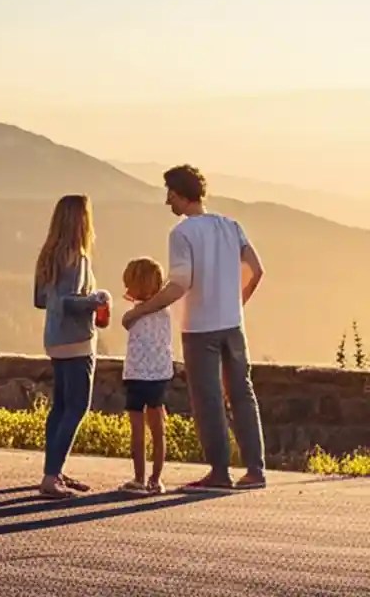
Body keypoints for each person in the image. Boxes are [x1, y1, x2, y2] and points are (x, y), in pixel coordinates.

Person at [121, 164, 267, 491]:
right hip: (233, 324)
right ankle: (255, 470)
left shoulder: (182, 233)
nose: (167, 201)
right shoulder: (231, 226)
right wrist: (235, 302)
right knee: (242, 394)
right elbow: (257, 270)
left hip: (200, 327)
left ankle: (220, 473)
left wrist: (139, 311)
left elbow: (179, 284)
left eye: (170, 195)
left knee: (208, 399)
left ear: (181, 194)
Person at [33, 194, 112, 499]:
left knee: (60, 408)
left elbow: (41, 300)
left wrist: (63, 301)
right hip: (78, 342)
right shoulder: (78, 257)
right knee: (77, 407)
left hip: (55, 340)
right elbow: (71, 302)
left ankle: (53, 469)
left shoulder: (47, 256)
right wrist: (98, 300)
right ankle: (52, 476)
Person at [118, 257, 174, 494]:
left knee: (138, 430)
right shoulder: (164, 312)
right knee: (158, 429)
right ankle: (156, 479)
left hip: (136, 376)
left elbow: (125, 322)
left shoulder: (135, 314)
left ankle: (139, 478)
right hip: (159, 376)